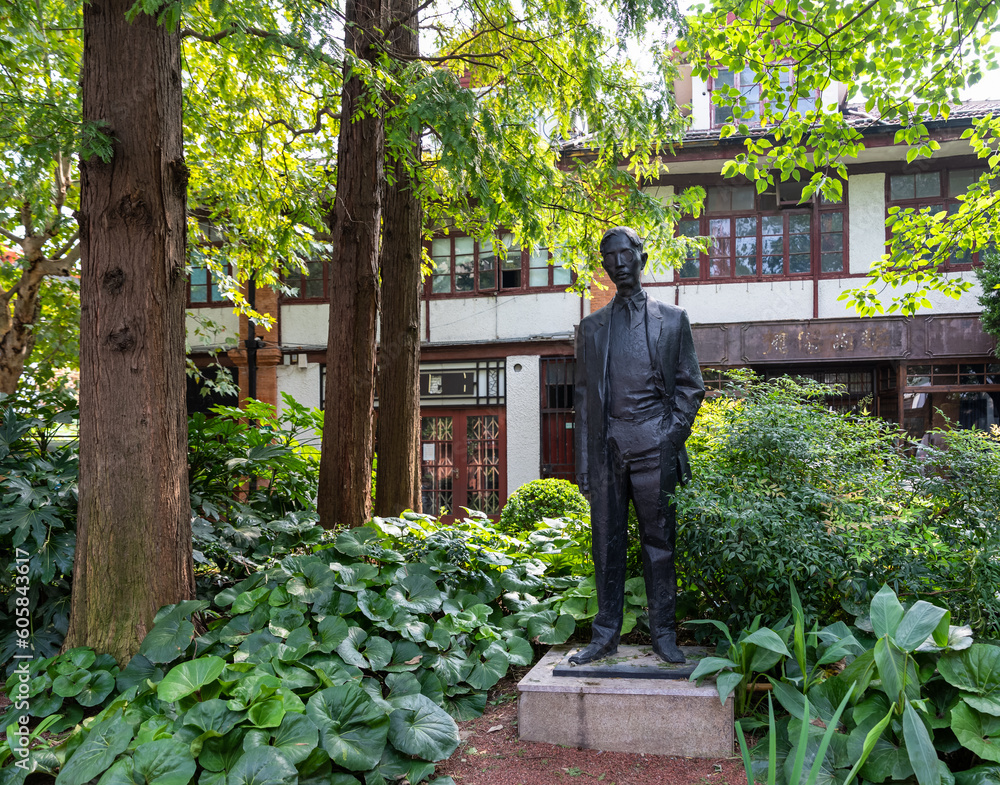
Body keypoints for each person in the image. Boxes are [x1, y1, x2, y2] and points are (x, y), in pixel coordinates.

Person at [572, 226, 704, 665]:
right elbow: (585, 402)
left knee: (660, 543)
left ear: (642, 258)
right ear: (605, 266)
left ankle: (664, 633)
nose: (618, 263)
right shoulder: (591, 329)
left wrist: (670, 436)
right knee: (605, 543)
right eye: (609, 256)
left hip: (655, 446)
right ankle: (605, 634)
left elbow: (690, 387)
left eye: (625, 253)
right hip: (609, 449)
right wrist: (586, 463)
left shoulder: (672, 319)